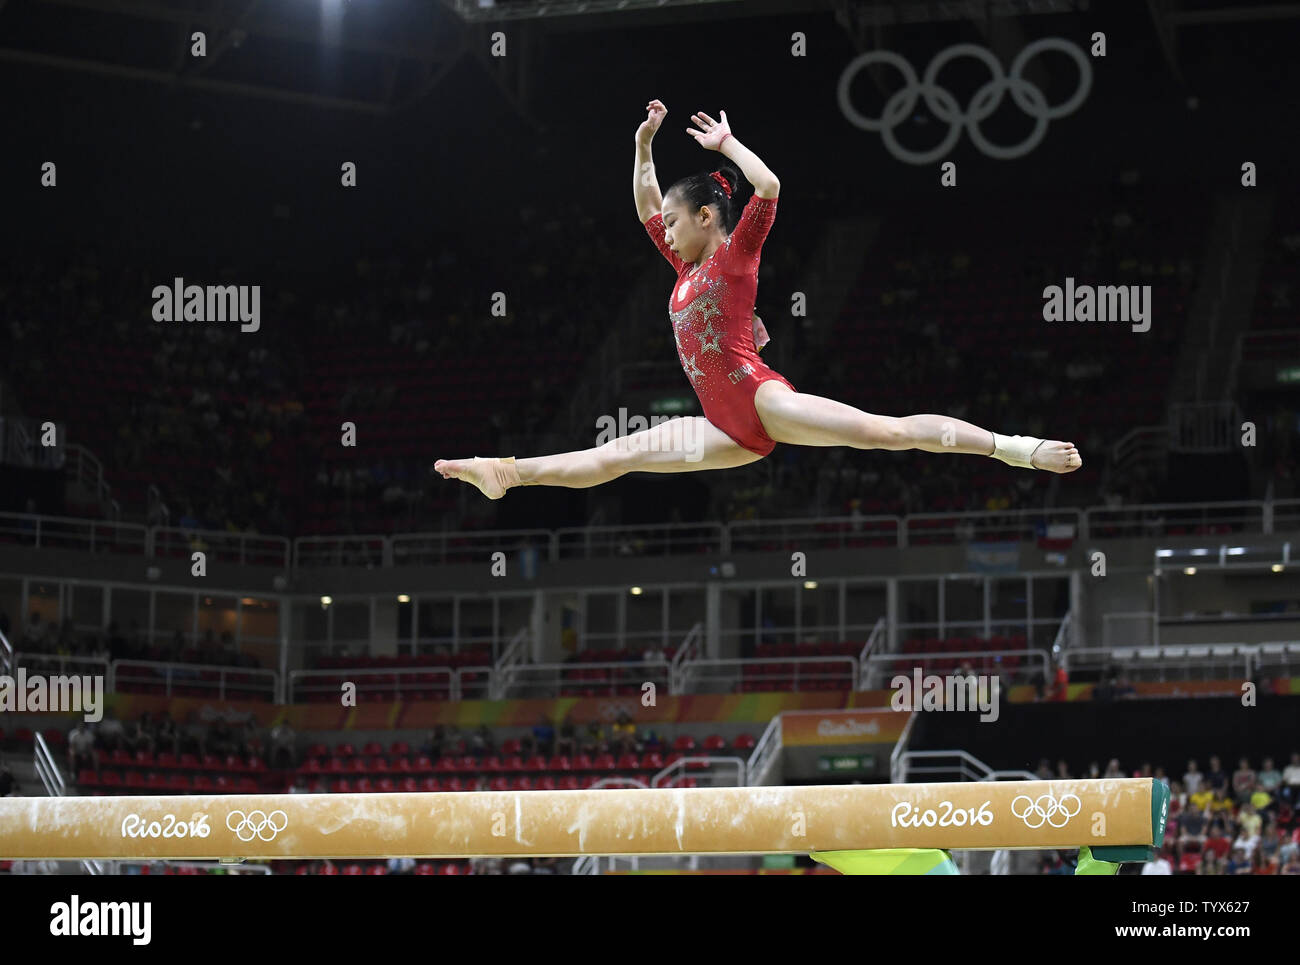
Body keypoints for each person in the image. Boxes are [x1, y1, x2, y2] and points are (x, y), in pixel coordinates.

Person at [433, 101, 1083, 501]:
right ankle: (505, 471)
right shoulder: (682, 267)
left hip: (760, 400)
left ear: (709, 218)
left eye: (678, 219)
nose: (667, 225)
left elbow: (768, 185)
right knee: (616, 456)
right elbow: (642, 204)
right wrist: (642, 145)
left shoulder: (734, 253)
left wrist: (725, 148)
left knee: (884, 433)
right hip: (722, 429)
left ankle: (1013, 445)